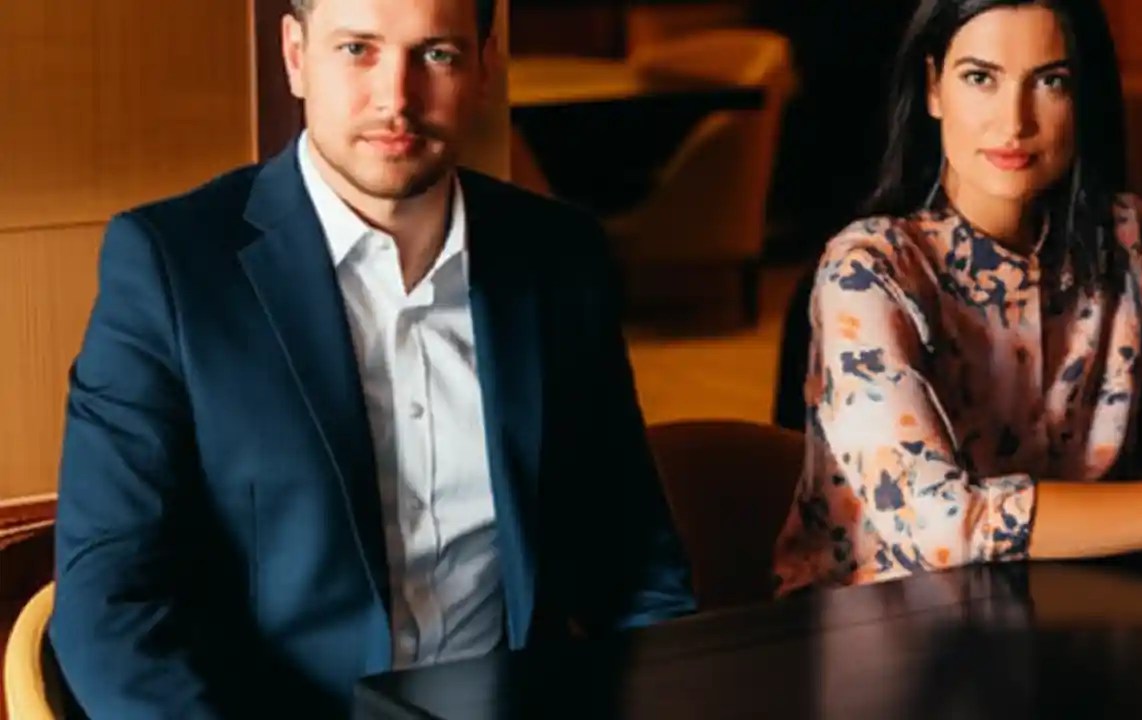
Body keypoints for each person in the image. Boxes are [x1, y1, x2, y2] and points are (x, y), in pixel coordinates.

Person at [50, 0, 695, 716]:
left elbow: (636, 566)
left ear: (483, 67)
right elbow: (109, 609)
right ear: (296, 56)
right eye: (357, 49)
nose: (396, 98)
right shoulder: (172, 268)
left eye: (437, 56)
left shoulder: (559, 259)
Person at [773, 0, 1142, 594]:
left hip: (1062, 619)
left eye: (1049, 82)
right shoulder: (866, 270)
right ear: (934, 88)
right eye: (980, 78)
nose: (1014, 122)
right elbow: (939, 525)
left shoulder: (1126, 239)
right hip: (874, 637)